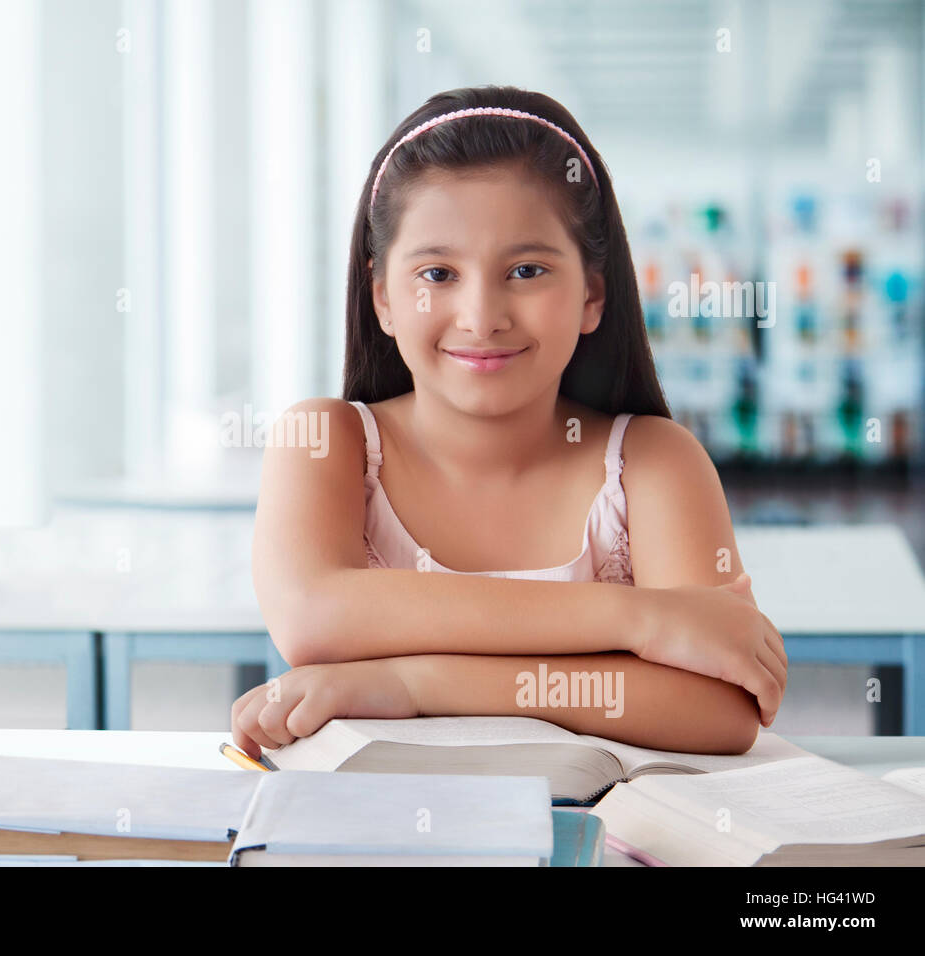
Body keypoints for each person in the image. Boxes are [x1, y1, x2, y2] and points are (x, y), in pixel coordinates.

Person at [231, 84, 787, 757]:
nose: (481, 316)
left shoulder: (651, 461)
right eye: (437, 273)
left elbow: (720, 710)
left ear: (592, 295)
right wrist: (641, 619)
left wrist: (416, 683)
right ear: (382, 298)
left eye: (526, 270)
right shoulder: (323, 441)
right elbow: (314, 618)